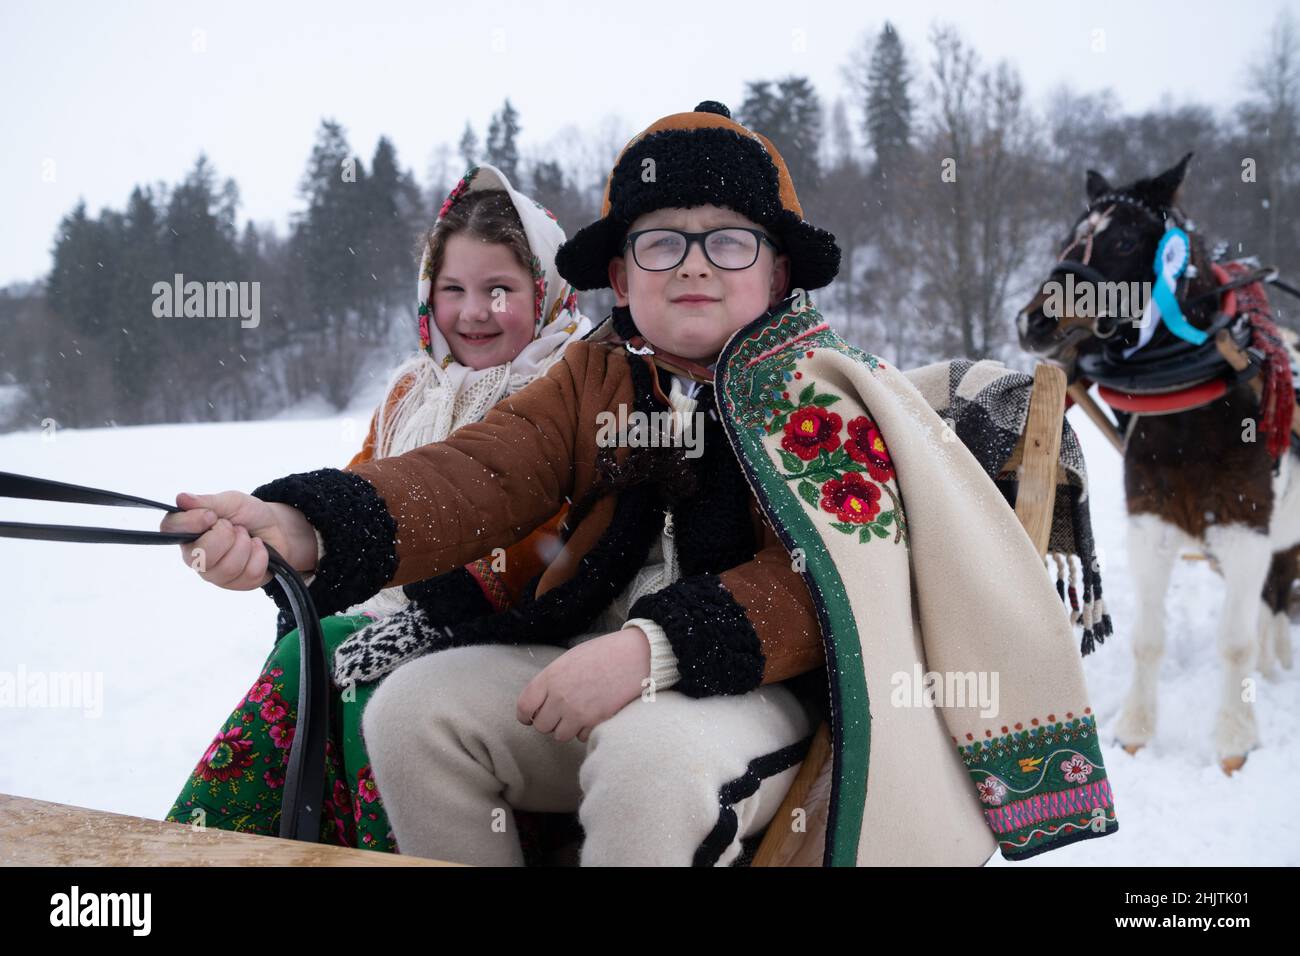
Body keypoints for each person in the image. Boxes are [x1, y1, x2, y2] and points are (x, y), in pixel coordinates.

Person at [163, 101, 1118, 866]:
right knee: (416, 711)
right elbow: (479, 473)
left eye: (729, 241)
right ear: (620, 275)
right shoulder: (598, 373)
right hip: (589, 661)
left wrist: (653, 649)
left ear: (779, 269)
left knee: (649, 761)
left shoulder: (819, 387)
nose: (694, 263)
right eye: (661, 242)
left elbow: (829, 578)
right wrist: (303, 522)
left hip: (756, 692)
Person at [163, 164, 591, 852]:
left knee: (342, 659)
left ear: (545, 293)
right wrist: (297, 542)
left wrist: (442, 604)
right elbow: (365, 488)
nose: (473, 311)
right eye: (452, 289)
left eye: (499, 290)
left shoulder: (569, 380)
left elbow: (553, 537)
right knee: (316, 649)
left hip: (524, 631)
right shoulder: (409, 392)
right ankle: (208, 849)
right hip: (391, 613)